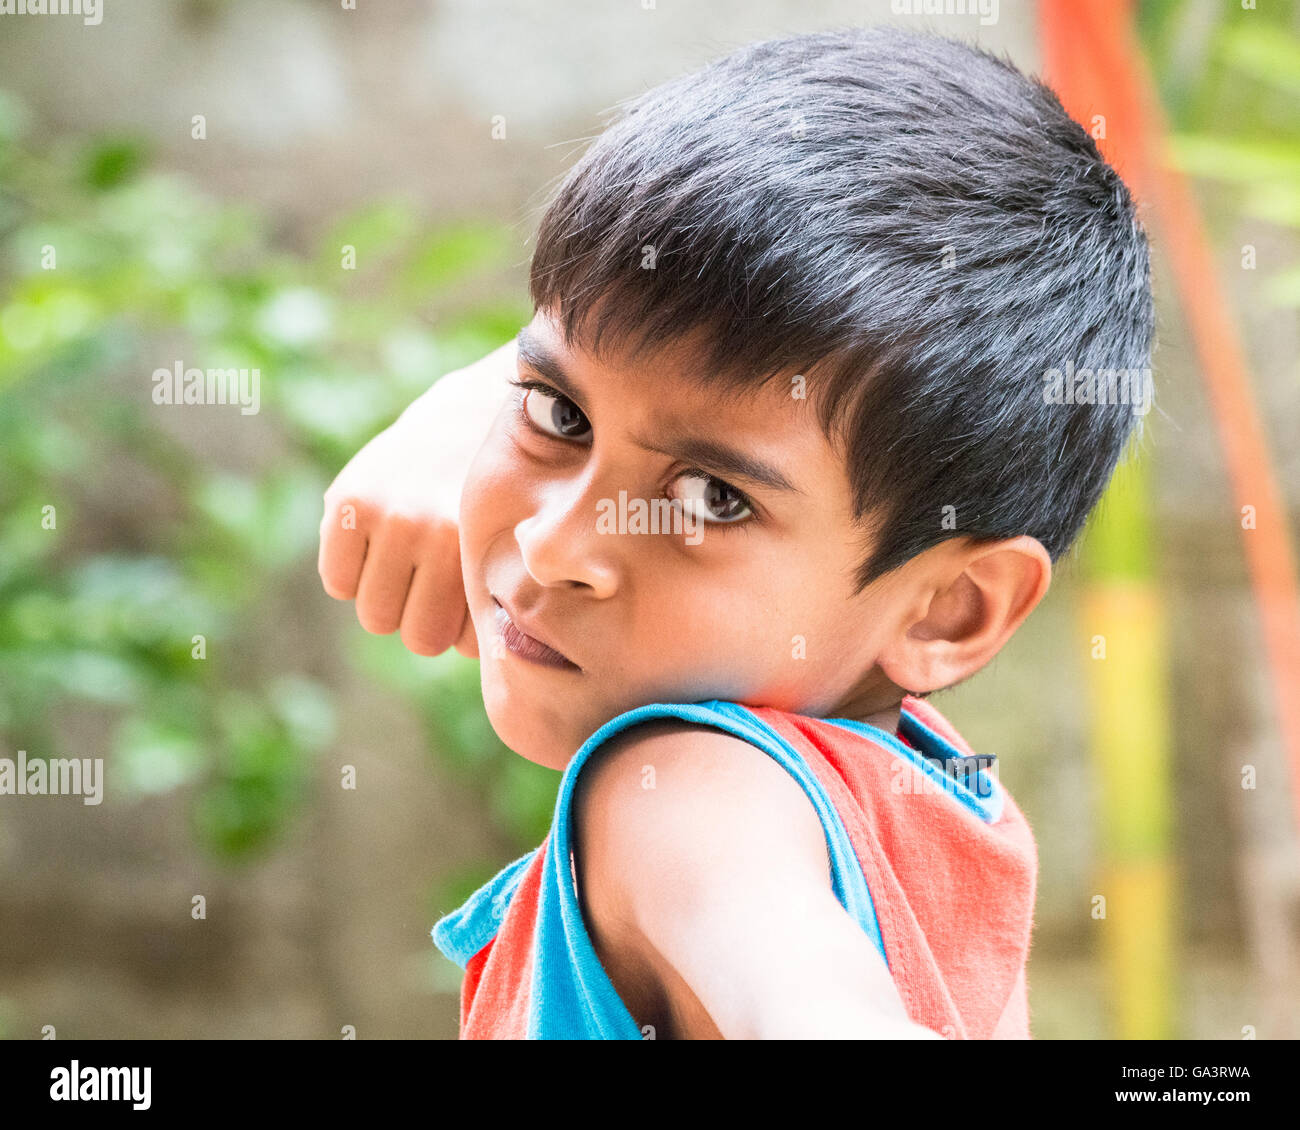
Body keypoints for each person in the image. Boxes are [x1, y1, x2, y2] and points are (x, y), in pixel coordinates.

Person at [317, 25, 1153, 1039]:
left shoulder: (679, 790)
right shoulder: (941, 802)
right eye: (557, 413)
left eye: (712, 498)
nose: (552, 547)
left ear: (948, 607)